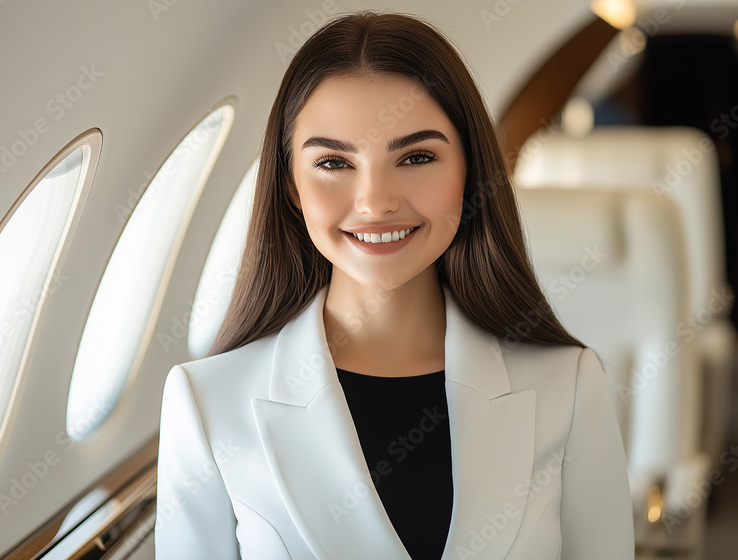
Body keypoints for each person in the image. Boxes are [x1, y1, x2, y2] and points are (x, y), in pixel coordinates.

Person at [155, 11, 632, 560]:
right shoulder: (209, 402)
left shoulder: (567, 387)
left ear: (470, 172)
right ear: (291, 186)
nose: (375, 201)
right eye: (334, 162)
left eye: (417, 157)